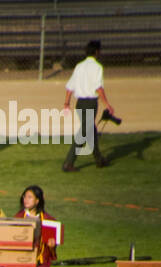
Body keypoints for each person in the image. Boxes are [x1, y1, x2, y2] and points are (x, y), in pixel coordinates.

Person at [62, 39, 116, 172]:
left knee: (90, 130)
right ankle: (68, 162)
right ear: (97, 52)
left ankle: (99, 160)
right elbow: (98, 87)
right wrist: (107, 104)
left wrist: (67, 103)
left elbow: (70, 87)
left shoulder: (79, 66)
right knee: (85, 131)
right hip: (91, 103)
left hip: (79, 104)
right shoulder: (97, 67)